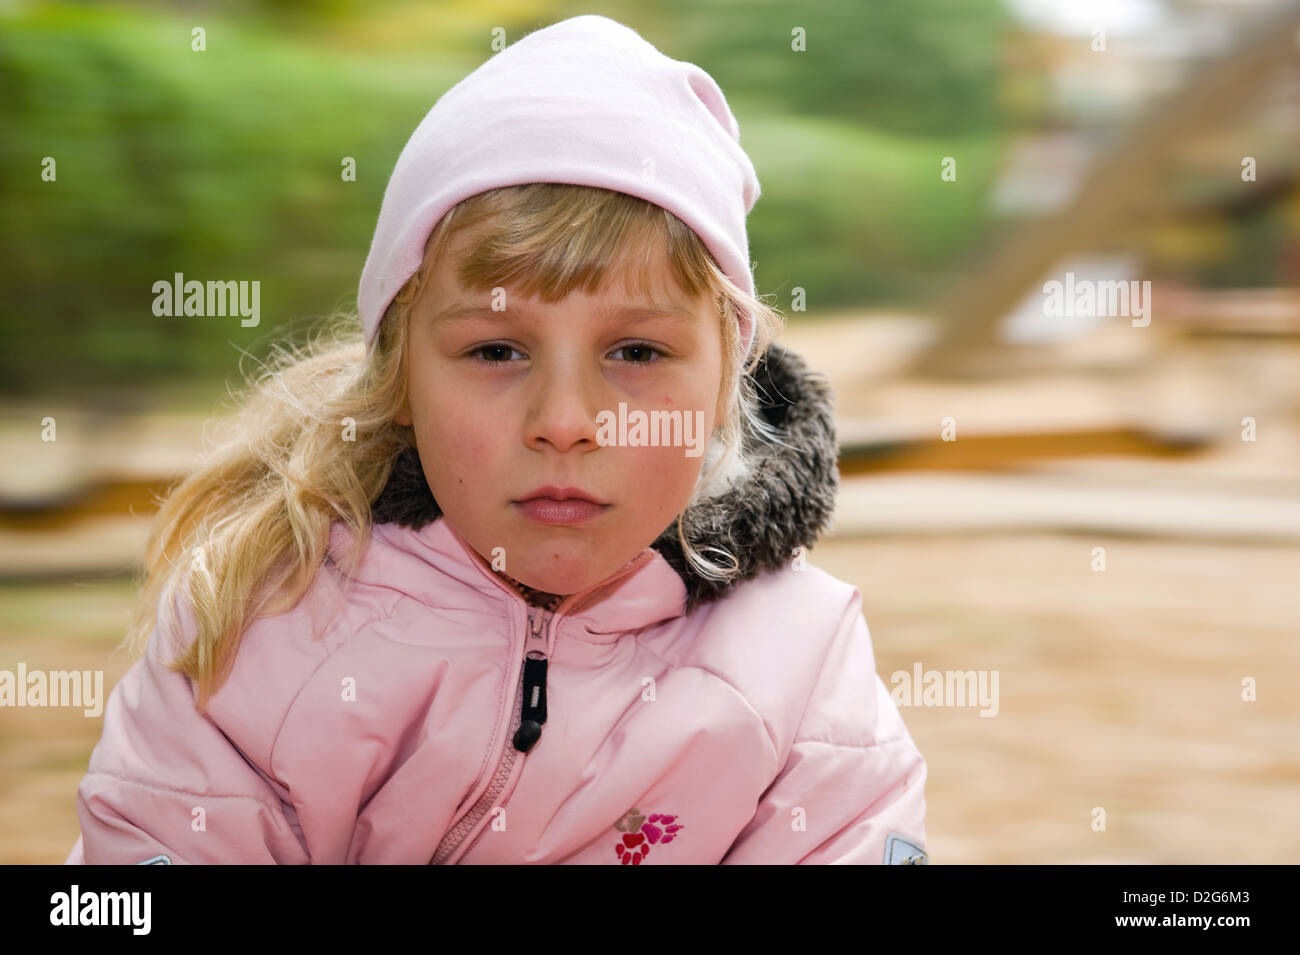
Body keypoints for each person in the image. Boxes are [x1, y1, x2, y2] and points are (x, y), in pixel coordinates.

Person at [65, 14, 928, 865]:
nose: (562, 420)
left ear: (721, 387)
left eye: (636, 351)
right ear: (399, 376)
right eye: (496, 349)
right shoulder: (262, 614)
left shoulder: (801, 662)